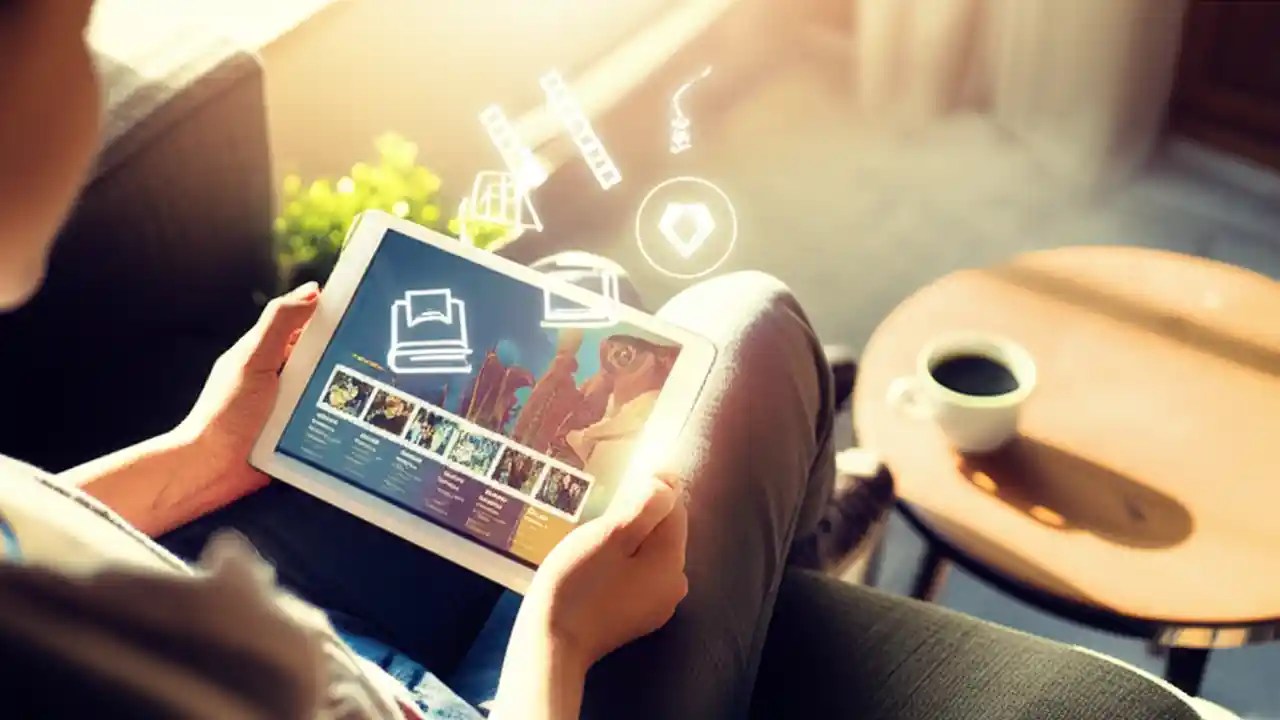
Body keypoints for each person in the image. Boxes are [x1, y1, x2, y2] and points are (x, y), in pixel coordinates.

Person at [0, 3, 1217, 720]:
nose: (93, 71)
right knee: (745, 321)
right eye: (77, 25)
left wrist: (193, 458)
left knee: (579, 305)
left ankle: (782, 530)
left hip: (219, 588)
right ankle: (793, 539)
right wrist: (560, 644)